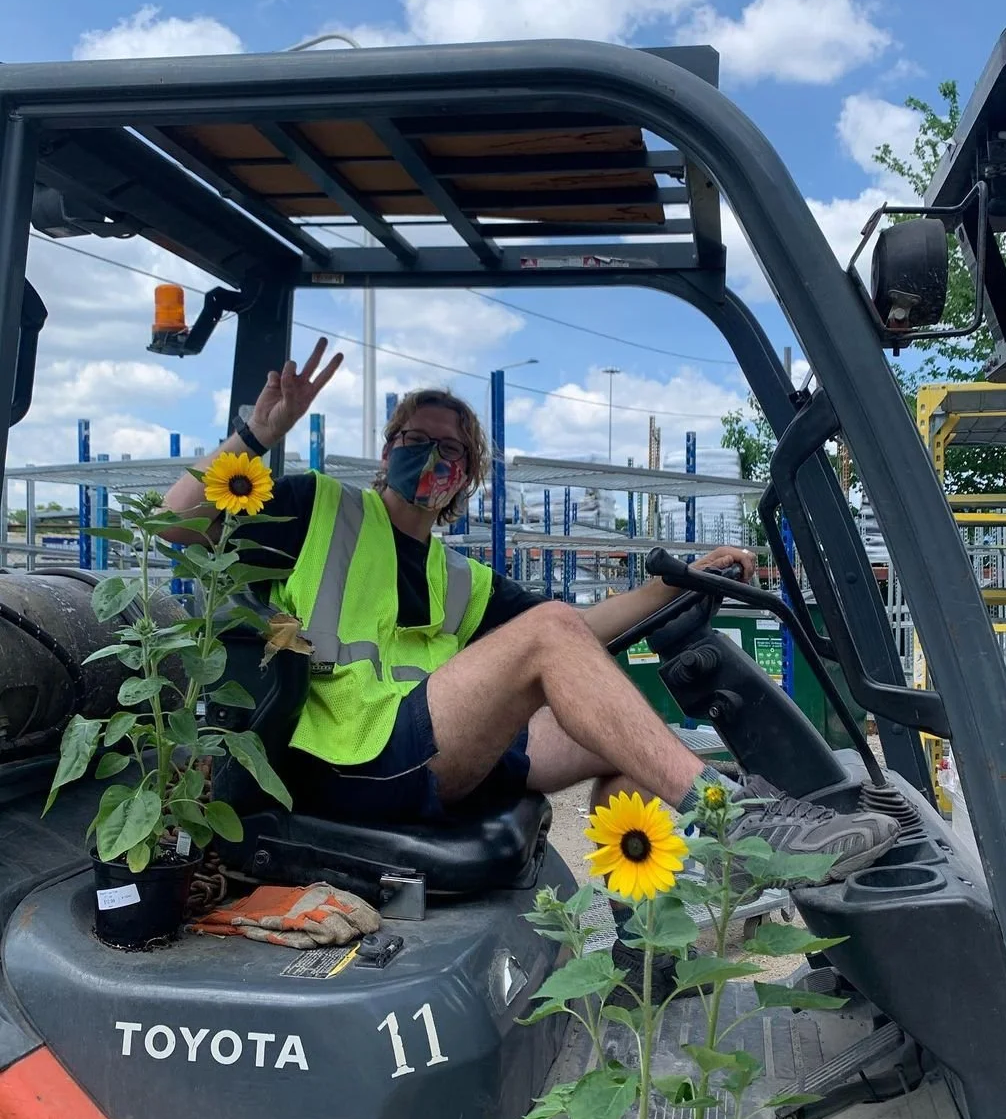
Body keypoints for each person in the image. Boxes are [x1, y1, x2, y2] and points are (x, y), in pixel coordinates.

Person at [163, 340, 898, 928]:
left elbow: (576, 633)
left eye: (449, 452)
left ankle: (645, 956)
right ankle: (738, 826)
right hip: (355, 755)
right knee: (547, 634)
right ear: (388, 450)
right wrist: (257, 434)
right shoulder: (315, 509)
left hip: (431, 745)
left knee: (625, 744)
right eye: (415, 439)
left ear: (464, 478)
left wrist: (678, 580)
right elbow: (177, 524)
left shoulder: (461, 578)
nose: (431, 458)